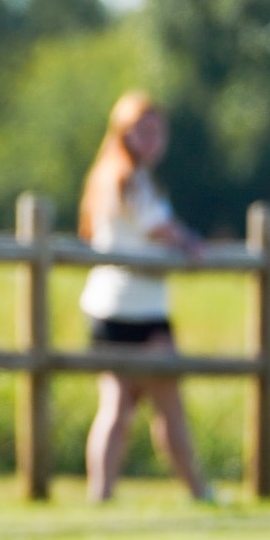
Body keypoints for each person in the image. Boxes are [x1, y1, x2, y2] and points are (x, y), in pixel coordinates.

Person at [78, 91, 214, 505]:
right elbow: (159, 228)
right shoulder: (129, 178)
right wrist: (192, 243)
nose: (153, 139)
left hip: (105, 309)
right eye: (144, 130)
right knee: (168, 408)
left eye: (158, 130)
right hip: (140, 312)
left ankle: (101, 495)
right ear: (124, 132)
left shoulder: (105, 176)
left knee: (115, 408)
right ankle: (200, 492)